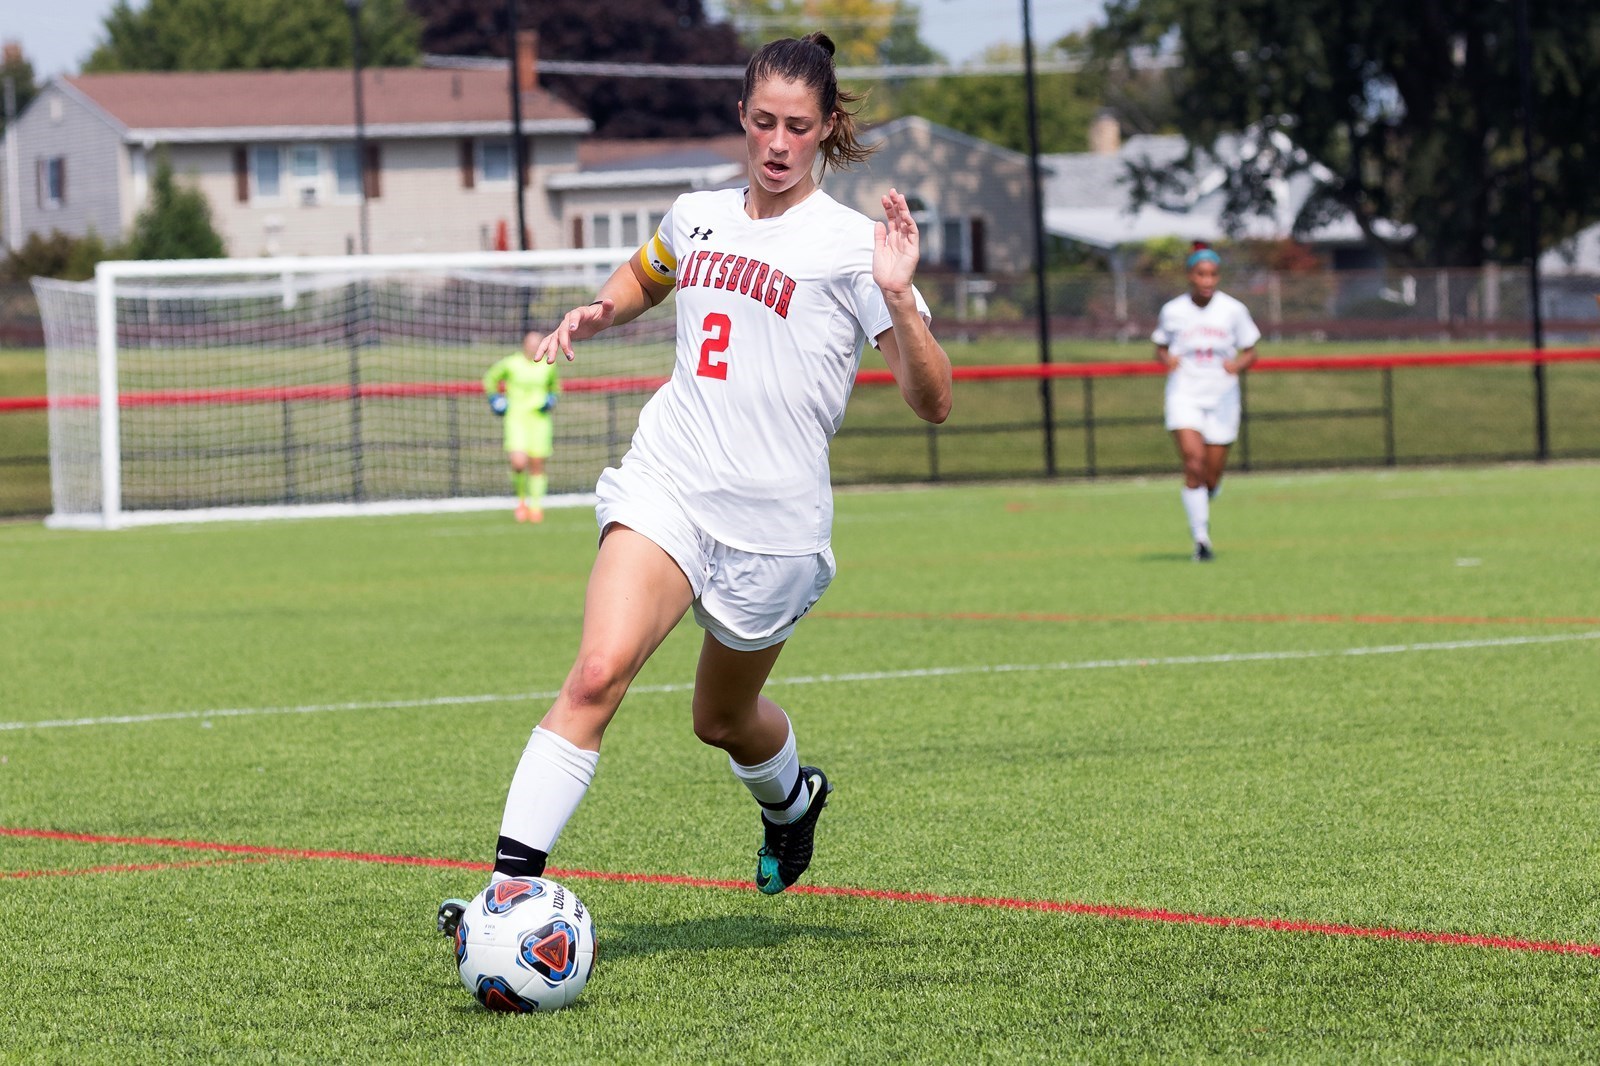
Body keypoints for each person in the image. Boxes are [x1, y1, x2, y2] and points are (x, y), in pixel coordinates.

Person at [437, 31, 952, 934]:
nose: (779, 144)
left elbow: (932, 401)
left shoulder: (857, 248)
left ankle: (791, 801)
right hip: (668, 484)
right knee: (596, 673)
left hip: (776, 530)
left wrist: (903, 301)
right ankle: (508, 893)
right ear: (741, 119)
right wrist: (598, 311)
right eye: (763, 123)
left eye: (799, 126)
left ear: (828, 128)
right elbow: (650, 273)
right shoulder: (697, 213)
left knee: (721, 719)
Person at [1153, 242, 1261, 562]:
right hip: (1184, 393)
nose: (1207, 281)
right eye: (1201, 274)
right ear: (1190, 276)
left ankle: (1205, 494)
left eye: (1213, 275)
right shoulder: (1173, 310)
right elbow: (1160, 345)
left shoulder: (1233, 310)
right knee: (1193, 463)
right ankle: (1201, 539)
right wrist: (1166, 359)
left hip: (1222, 396)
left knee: (1211, 477)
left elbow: (1251, 350)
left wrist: (1238, 365)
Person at [483, 347, 560, 522]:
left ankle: (536, 506)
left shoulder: (548, 365)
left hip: (539, 420)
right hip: (516, 419)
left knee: (537, 463)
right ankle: (521, 500)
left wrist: (551, 399)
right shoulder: (511, 363)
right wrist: (495, 398)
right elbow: (490, 378)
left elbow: (555, 387)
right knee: (518, 462)